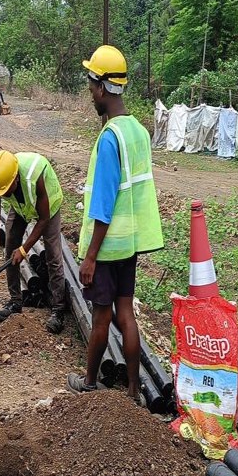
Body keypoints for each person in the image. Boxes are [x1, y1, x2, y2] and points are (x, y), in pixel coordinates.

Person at [67, 45, 163, 405]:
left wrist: (90, 257)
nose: (91, 93)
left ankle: (90, 383)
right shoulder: (137, 131)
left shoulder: (110, 138)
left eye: (92, 86)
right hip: (130, 243)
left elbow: (103, 206)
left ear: (104, 88)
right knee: (127, 313)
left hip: (107, 247)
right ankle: (134, 389)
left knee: (101, 319)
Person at [0, 150, 66, 334]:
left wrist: (25, 249)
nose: (3, 195)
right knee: (10, 247)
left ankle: (58, 309)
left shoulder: (34, 177)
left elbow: (43, 219)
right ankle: (15, 301)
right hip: (22, 207)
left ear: (15, 179)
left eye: (6, 191)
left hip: (48, 206)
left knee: (52, 256)